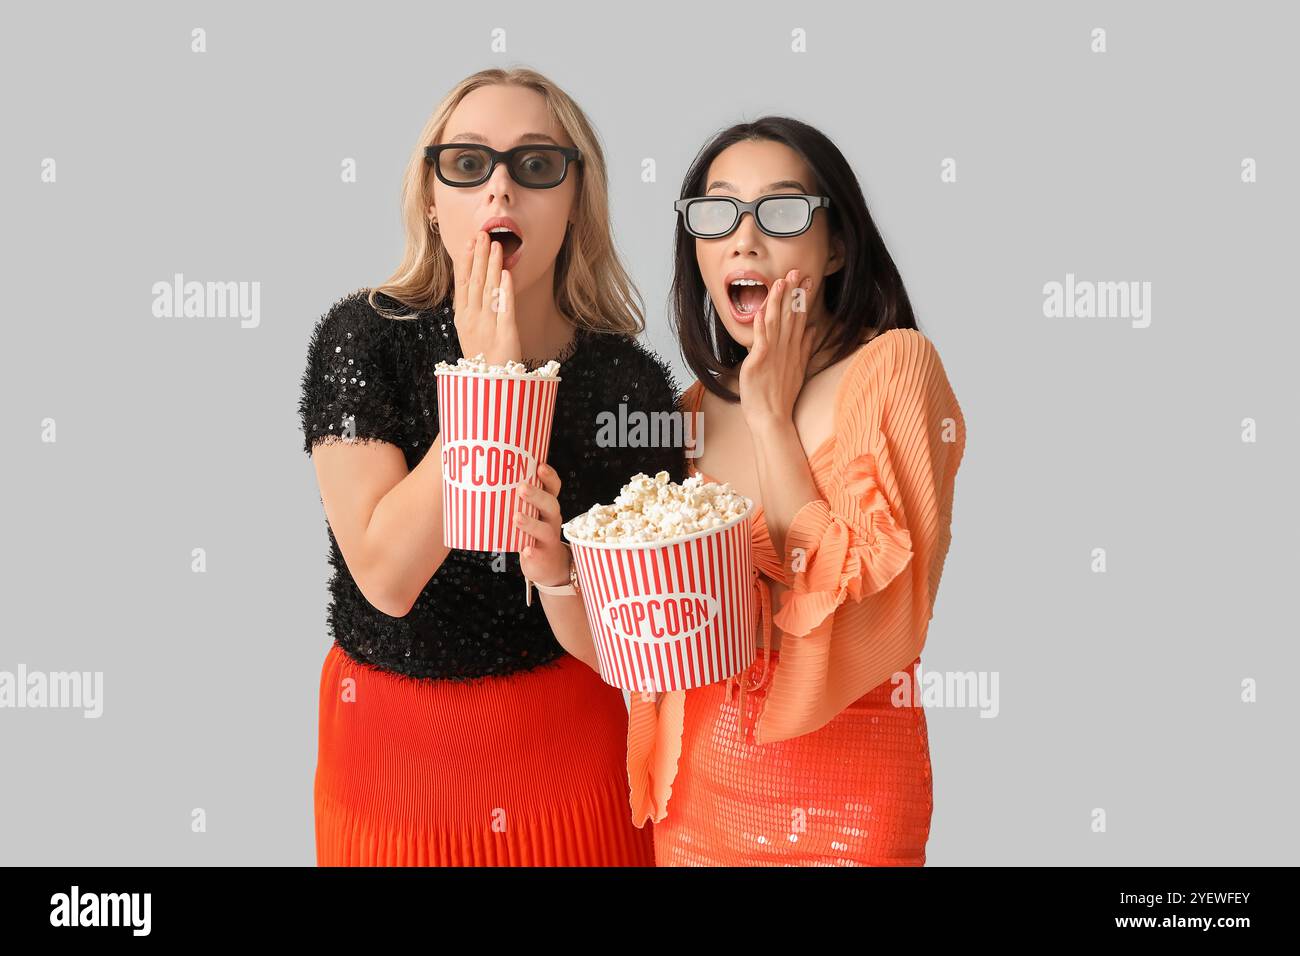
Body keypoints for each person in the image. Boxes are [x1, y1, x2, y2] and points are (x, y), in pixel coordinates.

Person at [298, 68, 683, 866]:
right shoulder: (361, 340)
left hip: (577, 776)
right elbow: (386, 577)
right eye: (469, 164)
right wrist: (488, 384)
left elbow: (645, 640)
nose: (501, 187)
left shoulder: (629, 384)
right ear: (432, 201)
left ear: (576, 199)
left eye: (537, 164)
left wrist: (564, 575)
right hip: (390, 786)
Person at [625, 117, 968, 865]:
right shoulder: (683, 415)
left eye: (781, 211)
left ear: (836, 244)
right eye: (716, 213)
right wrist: (559, 570)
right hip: (697, 802)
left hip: (852, 802)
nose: (744, 239)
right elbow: (660, 641)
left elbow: (878, 622)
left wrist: (772, 421)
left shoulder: (895, 370)